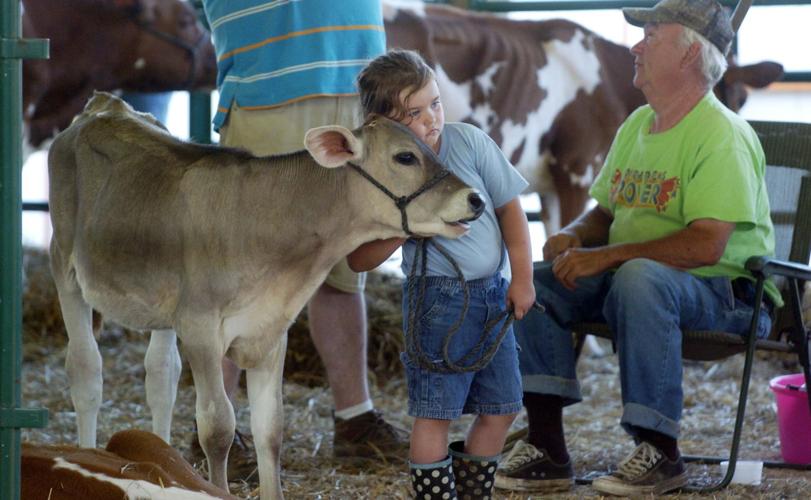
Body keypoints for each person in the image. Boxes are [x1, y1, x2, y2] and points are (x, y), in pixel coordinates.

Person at [493, 0, 782, 496]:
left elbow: (707, 245)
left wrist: (604, 257)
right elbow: (605, 211)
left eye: (651, 36)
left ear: (689, 55)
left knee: (638, 276)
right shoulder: (637, 125)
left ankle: (660, 451)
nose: (636, 46)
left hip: (727, 297)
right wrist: (577, 236)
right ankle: (546, 447)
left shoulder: (721, 135)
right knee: (534, 284)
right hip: (641, 284)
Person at [197, 0, 408, 470]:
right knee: (242, 276)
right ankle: (217, 429)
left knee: (341, 273)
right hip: (266, 89)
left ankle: (355, 419)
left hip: (358, 90)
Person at [347, 49, 536, 499]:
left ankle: (472, 494)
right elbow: (358, 259)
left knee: (503, 407)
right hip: (437, 301)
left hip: (494, 296)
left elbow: (511, 209)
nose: (432, 119)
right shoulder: (378, 172)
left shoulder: (468, 141)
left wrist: (523, 277)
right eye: (415, 113)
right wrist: (405, 225)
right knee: (434, 413)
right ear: (380, 123)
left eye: (435, 102)